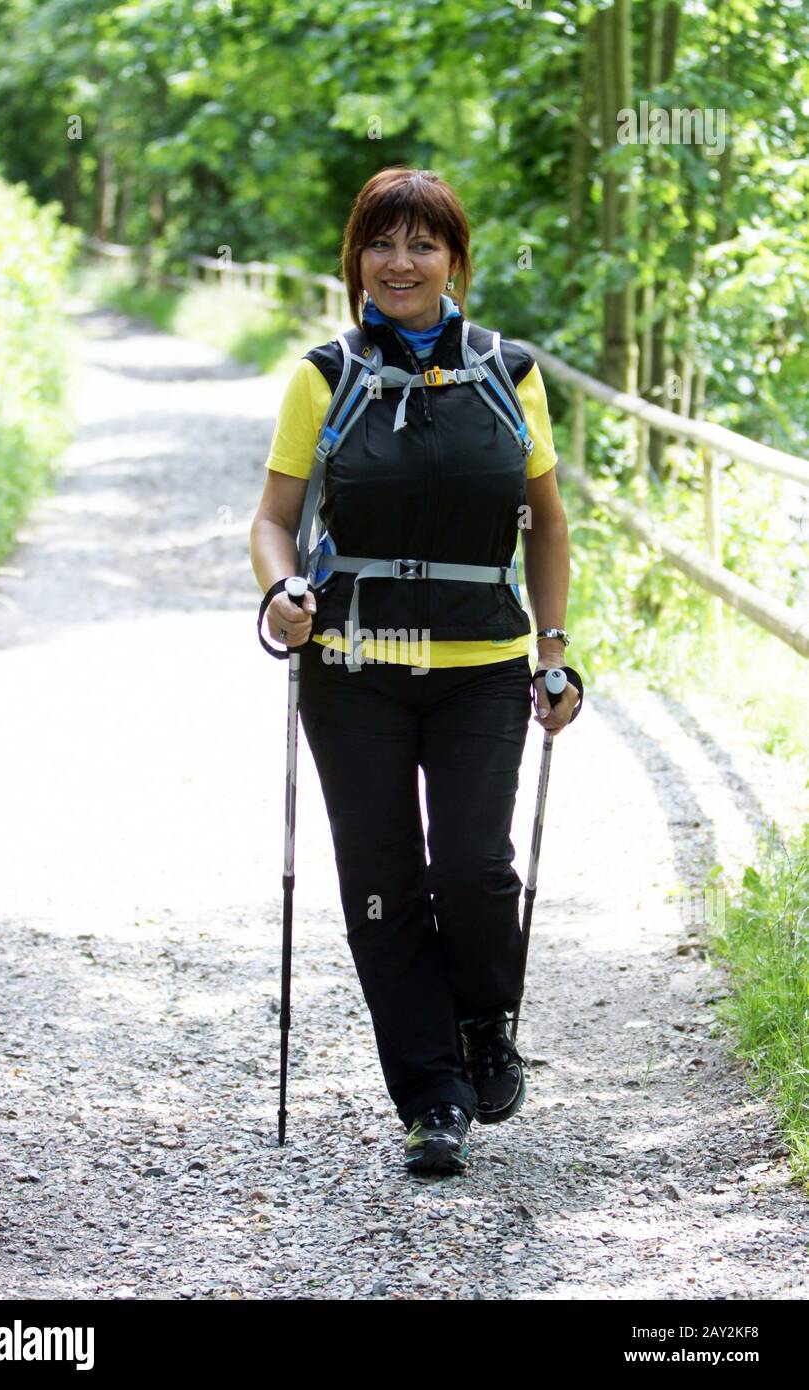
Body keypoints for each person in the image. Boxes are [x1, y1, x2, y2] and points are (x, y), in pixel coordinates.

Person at [250, 166, 580, 1176]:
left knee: (475, 870)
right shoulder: (324, 376)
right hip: (353, 667)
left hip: (482, 662)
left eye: (420, 244)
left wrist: (555, 652)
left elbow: (549, 524)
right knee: (383, 883)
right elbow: (273, 520)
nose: (398, 263)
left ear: (454, 259)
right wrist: (278, 594)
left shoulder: (507, 372)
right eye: (379, 244)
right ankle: (431, 1095)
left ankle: (485, 1016)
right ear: (354, 258)